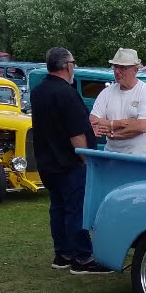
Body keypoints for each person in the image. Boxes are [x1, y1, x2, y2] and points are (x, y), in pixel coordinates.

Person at [30, 46, 106, 275]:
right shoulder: (67, 93)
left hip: (46, 160)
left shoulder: (39, 90)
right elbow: (76, 133)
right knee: (75, 209)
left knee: (58, 207)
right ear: (67, 66)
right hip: (69, 162)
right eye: (73, 63)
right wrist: (86, 158)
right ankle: (81, 257)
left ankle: (62, 253)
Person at [89, 48, 146, 157]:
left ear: (135, 70)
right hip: (113, 159)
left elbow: (142, 126)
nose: (117, 71)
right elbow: (93, 121)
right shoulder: (106, 92)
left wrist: (111, 133)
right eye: (115, 67)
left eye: (123, 68)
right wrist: (117, 124)